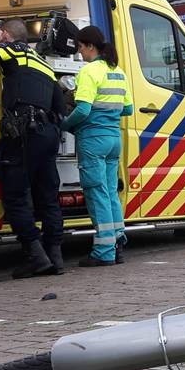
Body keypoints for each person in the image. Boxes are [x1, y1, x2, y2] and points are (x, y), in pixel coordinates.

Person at [0, 19, 67, 278]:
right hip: (48, 134)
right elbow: (60, 107)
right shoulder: (44, 64)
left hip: (25, 132)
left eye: (2, 36)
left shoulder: (15, 50)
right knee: (47, 195)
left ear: (7, 36)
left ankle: (36, 256)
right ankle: (55, 256)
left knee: (15, 195)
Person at [61, 26, 132, 266]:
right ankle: (117, 241)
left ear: (90, 46)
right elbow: (129, 109)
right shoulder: (118, 72)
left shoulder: (89, 71)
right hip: (113, 140)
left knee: (97, 193)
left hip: (93, 139)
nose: (79, 53)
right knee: (111, 192)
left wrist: (64, 124)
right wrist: (107, 114)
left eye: (80, 47)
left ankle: (103, 252)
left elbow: (82, 109)